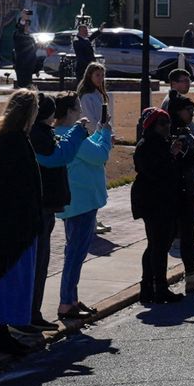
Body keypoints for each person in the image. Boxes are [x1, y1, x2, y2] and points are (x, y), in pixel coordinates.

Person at [0, 90, 46, 356]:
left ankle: (1, 333)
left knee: (5, 278)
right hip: (9, 226)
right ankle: (0, 335)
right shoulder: (12, 142)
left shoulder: (7, 139)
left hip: (7, 223)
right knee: (7, 278)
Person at [30, 92, 89, 328]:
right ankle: (31, 315)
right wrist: (77, 132)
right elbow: (57, 157)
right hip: (40, 207)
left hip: (45, 205)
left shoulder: (42, 133)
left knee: (42, 262)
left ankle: (32, 314)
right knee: (38, 263)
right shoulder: (37, 135)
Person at [54, 93, 114, 319]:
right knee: (75, 254)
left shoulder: (65, 134)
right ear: (69, 111)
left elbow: (91, 150)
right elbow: (99, 156)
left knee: (75, 251)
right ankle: (66, 303)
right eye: (77, 108)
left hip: (76, 200)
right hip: (81, 202)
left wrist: (99, 132)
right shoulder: (73, 135)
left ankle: (72, 299)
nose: (81, 111)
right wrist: (106, 133)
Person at [130, 107, 184, 303]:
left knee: (157, 244)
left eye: (168, 123)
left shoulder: (163, 143)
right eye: (162, 123)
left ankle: (149, 287)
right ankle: (158, 287)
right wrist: (171, 154)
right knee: (158, 246)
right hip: (152, 201)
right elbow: (155, 172)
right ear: (152, 125)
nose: (167, 127)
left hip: (164, 200)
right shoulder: (146, 145)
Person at [164, 90, 194, 295]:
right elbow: (188, 164)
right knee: (180, 238)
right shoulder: (177, 134)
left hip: (183, 189)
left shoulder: (180, 131)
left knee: (182, 237)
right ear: (177, 111)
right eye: (187, 110)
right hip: (182, 192)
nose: (191, 113)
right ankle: (187, 279)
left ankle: (190, 277)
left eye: (192, 109)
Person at [74, 61, 112, 132]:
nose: (100, 78)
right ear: (89, 75)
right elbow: (89, 121)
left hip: (101, 135)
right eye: (97, 75)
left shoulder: (99, 94)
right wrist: (102, 133)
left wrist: (109, 133)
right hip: (92, 136)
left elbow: (106, 118)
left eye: (102, 75)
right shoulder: (86, 97)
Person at [12, 9, 41, 90]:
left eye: (28, 24)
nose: (27, 26)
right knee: (23, 88)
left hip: (29, 67)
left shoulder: (30, 37)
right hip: (22, 67)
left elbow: (33, 52)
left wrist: (36, 67)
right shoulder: (18, 34)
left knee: (28, 88)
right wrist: (23, 19)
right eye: (26, 24)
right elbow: (19, 30)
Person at [72, 17, 95, 83]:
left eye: (86, 30)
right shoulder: (77, 41)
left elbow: (91, 37)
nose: (86, 32)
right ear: (80, 31)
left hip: (87, 67)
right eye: (84, 30)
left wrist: (99, 31)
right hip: (82, 68)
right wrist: (88, 65)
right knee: (82, 84)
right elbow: (80, 56)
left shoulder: (84, 39)